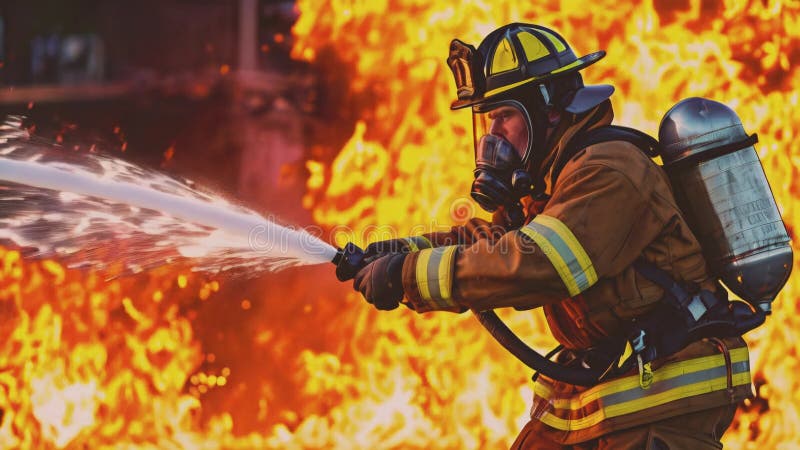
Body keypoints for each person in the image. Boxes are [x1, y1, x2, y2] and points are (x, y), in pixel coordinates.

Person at [344, 23, 752, 449]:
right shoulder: (553, 178)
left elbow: (540, 263)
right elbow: (494, 240)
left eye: (504, 116)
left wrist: (408, 274)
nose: (492, 135)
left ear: (549, 111)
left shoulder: (608, 170)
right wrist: (402, 253)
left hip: (665, 389)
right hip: (611, 379)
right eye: (487, 119)